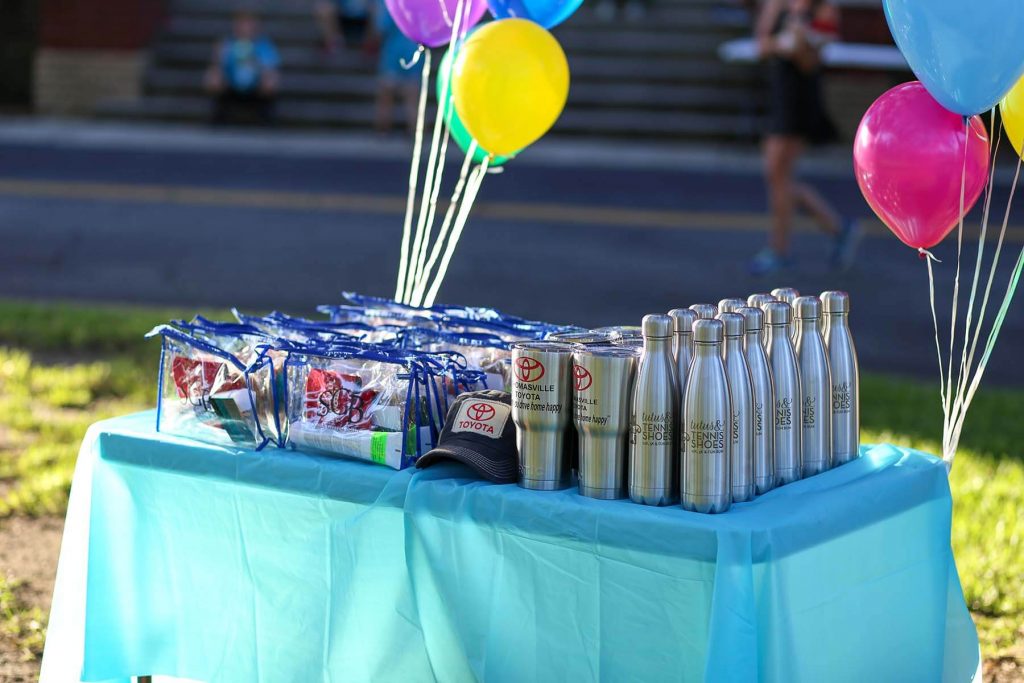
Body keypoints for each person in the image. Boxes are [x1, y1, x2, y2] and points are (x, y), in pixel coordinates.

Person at [749, 0, 861, 276]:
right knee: (779, 178)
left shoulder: (823, 8)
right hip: (779, 93)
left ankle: (779, 249)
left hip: (800, 100)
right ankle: (837, 228)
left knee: (777, 175)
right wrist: (783, 42)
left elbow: (811, 62)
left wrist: (799, 42)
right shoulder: (776, 4)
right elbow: (761, 44)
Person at [204, 11, 280, 125]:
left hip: (256, 87)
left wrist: (257, 65)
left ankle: (267, 118)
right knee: (213, 77)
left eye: (249, 24)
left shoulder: (264, 45)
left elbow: (270, 68)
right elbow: (217, 64)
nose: (246, 28)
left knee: (271, 80)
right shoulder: (226, 44)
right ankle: (218, 117)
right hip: (231, 85)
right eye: (242, 24)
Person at [372, 0, 421, 135]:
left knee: (386, 94)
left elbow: (381, 27)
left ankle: (383, 130)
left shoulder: (389, 4)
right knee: (411, 96)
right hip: (413, 51)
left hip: (393, 52)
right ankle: (415, 131)